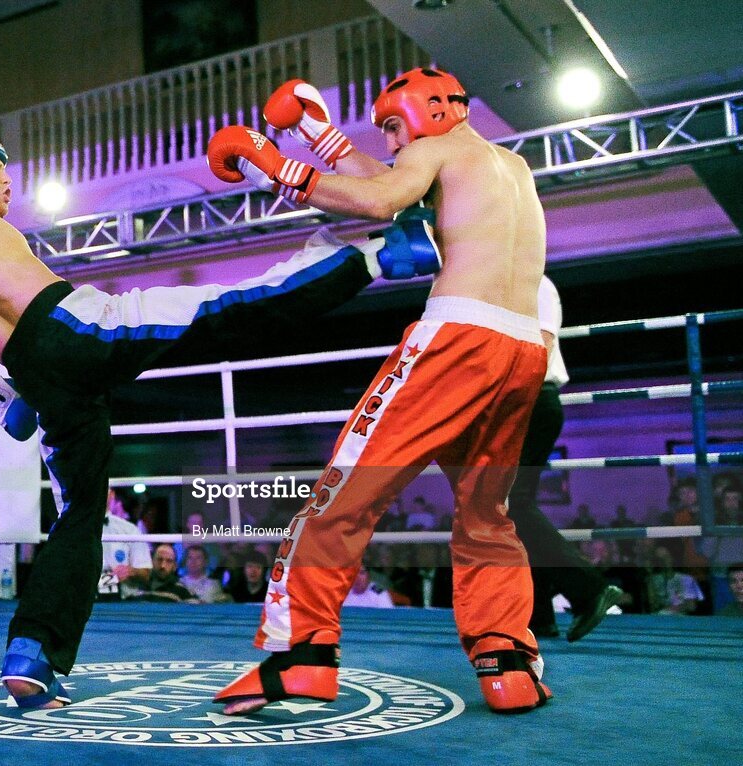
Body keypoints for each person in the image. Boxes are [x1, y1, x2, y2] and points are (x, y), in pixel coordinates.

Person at [0, 136, 426, 708]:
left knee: (79, 516)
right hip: (73, 329)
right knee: (220, 310)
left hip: (42, 380)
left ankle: (32, 654)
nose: (7, 180)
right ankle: (379, 254)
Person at [207, 67, 552, 714]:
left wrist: (274, 167)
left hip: (458, 340)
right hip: (523, 349)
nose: (393, 141)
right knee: (486, 514)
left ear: (430, 110)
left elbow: (379, 200)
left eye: (394, 126)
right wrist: (320, 137)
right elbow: (396, 185)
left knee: (346, 489)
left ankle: (302, 653)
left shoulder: (432, 148)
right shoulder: (508, 165)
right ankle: (507, 661)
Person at [506, 275, 623, 641]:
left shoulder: (535, 284)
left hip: (530, 401)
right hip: (519, 405)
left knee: (512, 504)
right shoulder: (500, 285)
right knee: (513, 508)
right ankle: (540, 614)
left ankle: (589, 590)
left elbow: (540, 348)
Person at [98, 489, 151, 601]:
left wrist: (131, 571)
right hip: (86, 600)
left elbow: (146, 573)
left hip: (125, 600)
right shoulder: (75, 530)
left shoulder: (129, 530)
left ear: (112, 494)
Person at [121, 544, 197, 603]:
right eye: (159, 559)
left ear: (175, 566)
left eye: (169, 561)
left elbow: (196, 612)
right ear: (152, 561)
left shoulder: (183, 590)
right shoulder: (137, 585)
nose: (162, 565)